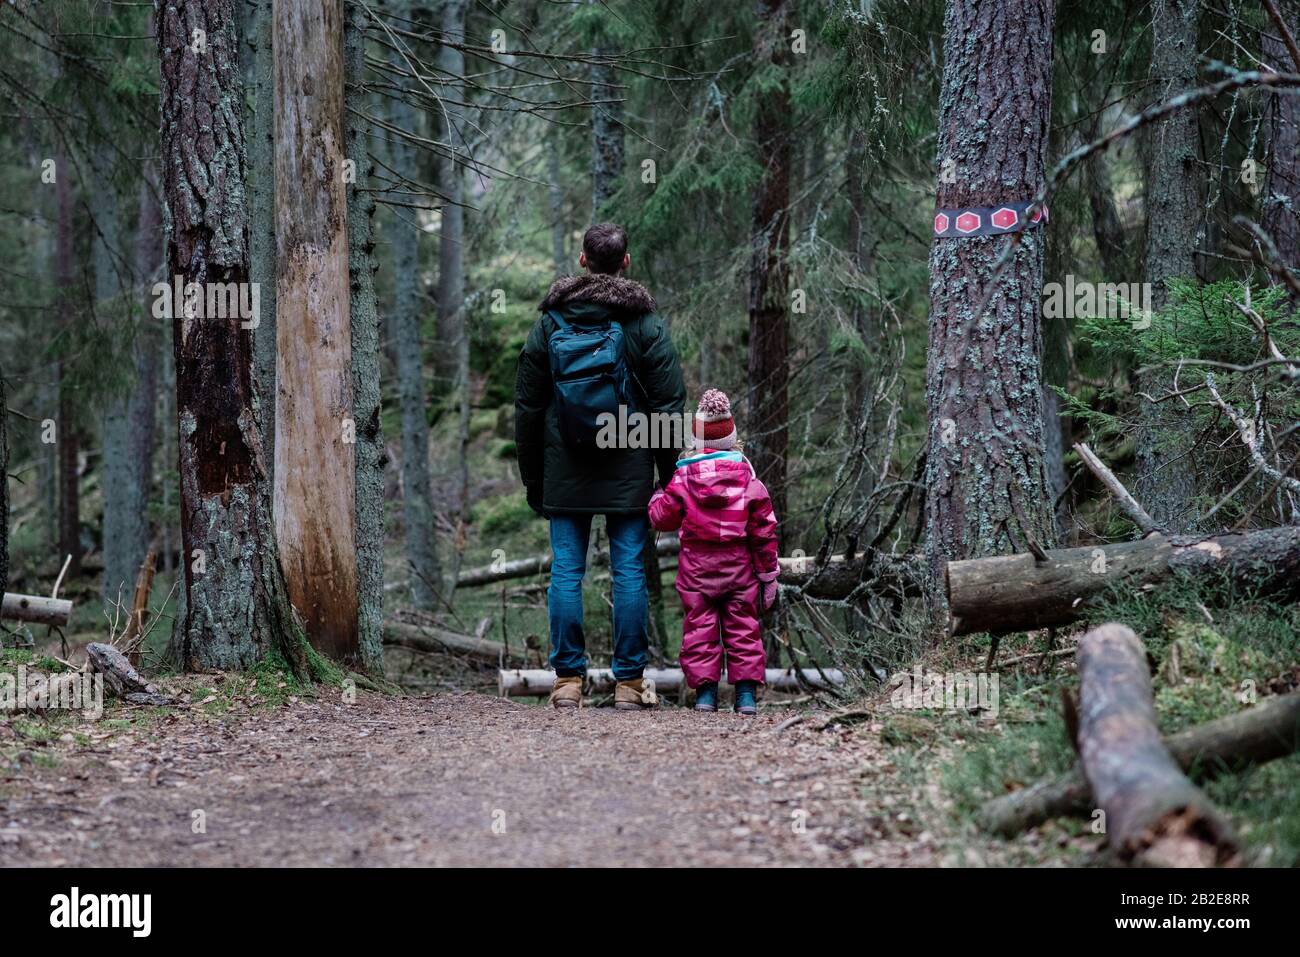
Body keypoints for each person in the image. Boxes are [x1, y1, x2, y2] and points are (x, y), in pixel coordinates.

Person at [515, 223, 686, 710]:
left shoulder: (551, 322)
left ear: (583, 261)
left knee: (567, 571)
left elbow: (528, 406)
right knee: (628, 570)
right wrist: (671, 479)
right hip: (628, 464)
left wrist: (535, 480)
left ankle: (567, 681)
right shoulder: (643, 322)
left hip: (563, 467)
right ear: (625, 262)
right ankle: (629, 684)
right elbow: (668, 405)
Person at [647, 389, 780, 715]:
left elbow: (662, 516)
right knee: (743, 629)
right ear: (731, 439)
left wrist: (655, 497)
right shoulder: (750, 481)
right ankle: (745, 697)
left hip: (697, 569)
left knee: (700, 629)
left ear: (697, 439)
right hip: (739, 569)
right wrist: (768, 575)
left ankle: (705, 696)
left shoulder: (683, 478)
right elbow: (764, 532)